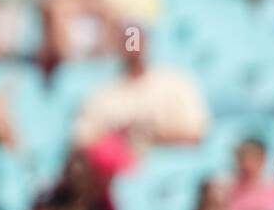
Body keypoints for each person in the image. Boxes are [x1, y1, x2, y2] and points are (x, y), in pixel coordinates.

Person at [73, 24, 209, 151]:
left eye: (136, 38)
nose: (132, 44)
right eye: (127, 39)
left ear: (146, 41)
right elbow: (82, 142)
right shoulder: (102, 95)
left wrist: (152, 135)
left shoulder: (176, 83)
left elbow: (196, 134)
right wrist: (119, 139)